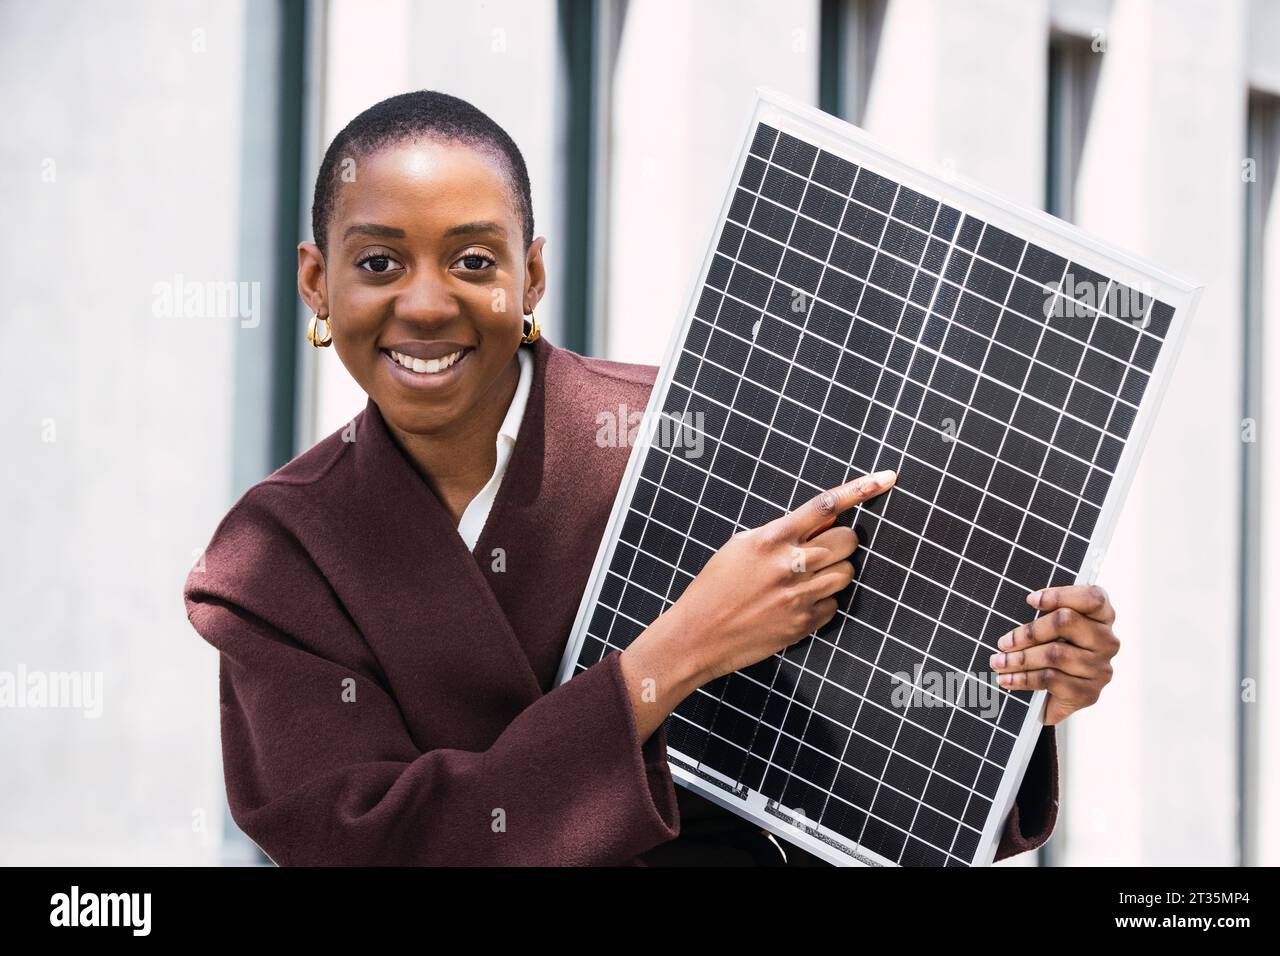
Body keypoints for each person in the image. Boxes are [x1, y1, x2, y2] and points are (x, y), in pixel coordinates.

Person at [182, 90, 1120, 866]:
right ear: (315, 282)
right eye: (378, 262)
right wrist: (671, 658)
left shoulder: (694, 436)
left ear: (533, 274)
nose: (426, 305)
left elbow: (886, 784)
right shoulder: (274, 560)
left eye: (474, 261)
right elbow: (379, 852)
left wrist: (1023, 692)